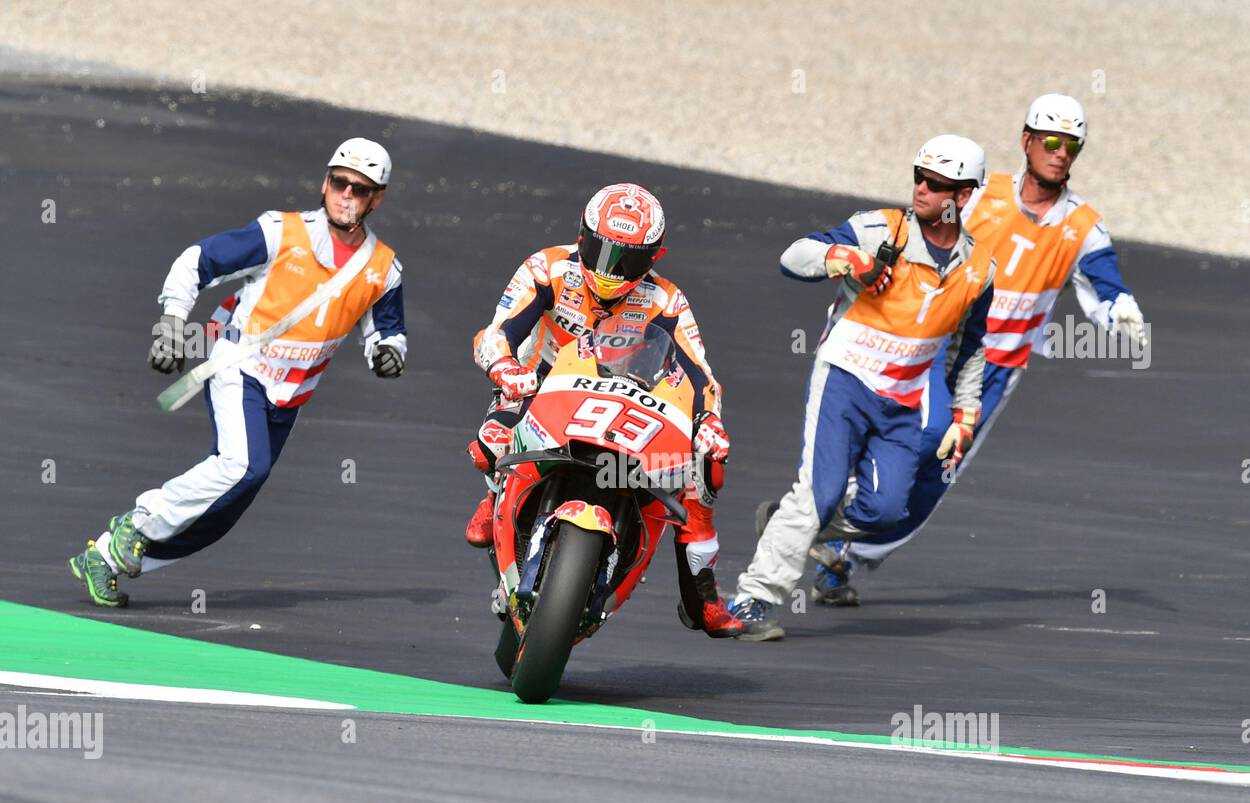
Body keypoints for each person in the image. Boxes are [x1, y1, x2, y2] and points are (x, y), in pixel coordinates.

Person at [819, 95, 1150, 605]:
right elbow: (919, 233)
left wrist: (1120, 309)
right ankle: (819, 517)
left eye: (1073, 146)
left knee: (937, 472)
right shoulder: (979, 194)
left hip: (995, 370)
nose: (1061, 154)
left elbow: (1105, 282)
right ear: (1027, 141)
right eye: (1052, 142)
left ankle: (846, 556)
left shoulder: (1083, 225)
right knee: (908, 436)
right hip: (936, 345)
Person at [68, 138, 407, 607]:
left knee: (228, 505)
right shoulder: (281, 233)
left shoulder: (383, 269)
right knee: (243, 466)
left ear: (378, 198)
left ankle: (107, 558)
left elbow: (386, 333)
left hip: (290, 397)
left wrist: (388, 354)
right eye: (339, 182)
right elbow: (197, 261)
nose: (346, 194)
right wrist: (172, 324)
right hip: (238, 365)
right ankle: (139, 521)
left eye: (360, 188)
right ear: (325, 181)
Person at [728, 135, 996, 640]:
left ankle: (793, 524)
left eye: (936, 183)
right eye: (919, 175)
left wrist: (964, 415)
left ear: (962, 197)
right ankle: (753, 601)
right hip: (844, 381)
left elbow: (971, 347)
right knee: (820, 491)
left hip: (901, 402)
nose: (922, 188)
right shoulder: (877, 229)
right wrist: (844, 260)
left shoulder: (980, 270)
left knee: (886, 510)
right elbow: (794, 255)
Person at [463, 182, 740, 638]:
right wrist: (505, 366)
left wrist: (709, 421)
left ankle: (702, 596)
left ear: (653, 257)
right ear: (582, 236)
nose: (609, 270)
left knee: (703, 471)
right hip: (541, 387)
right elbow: (495, 332)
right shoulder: (546, 268)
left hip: (628, 400)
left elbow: (700, 374)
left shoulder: (666, 300)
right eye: (600, 250)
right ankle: (496, 496)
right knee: (490, 443)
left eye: (625, 260)